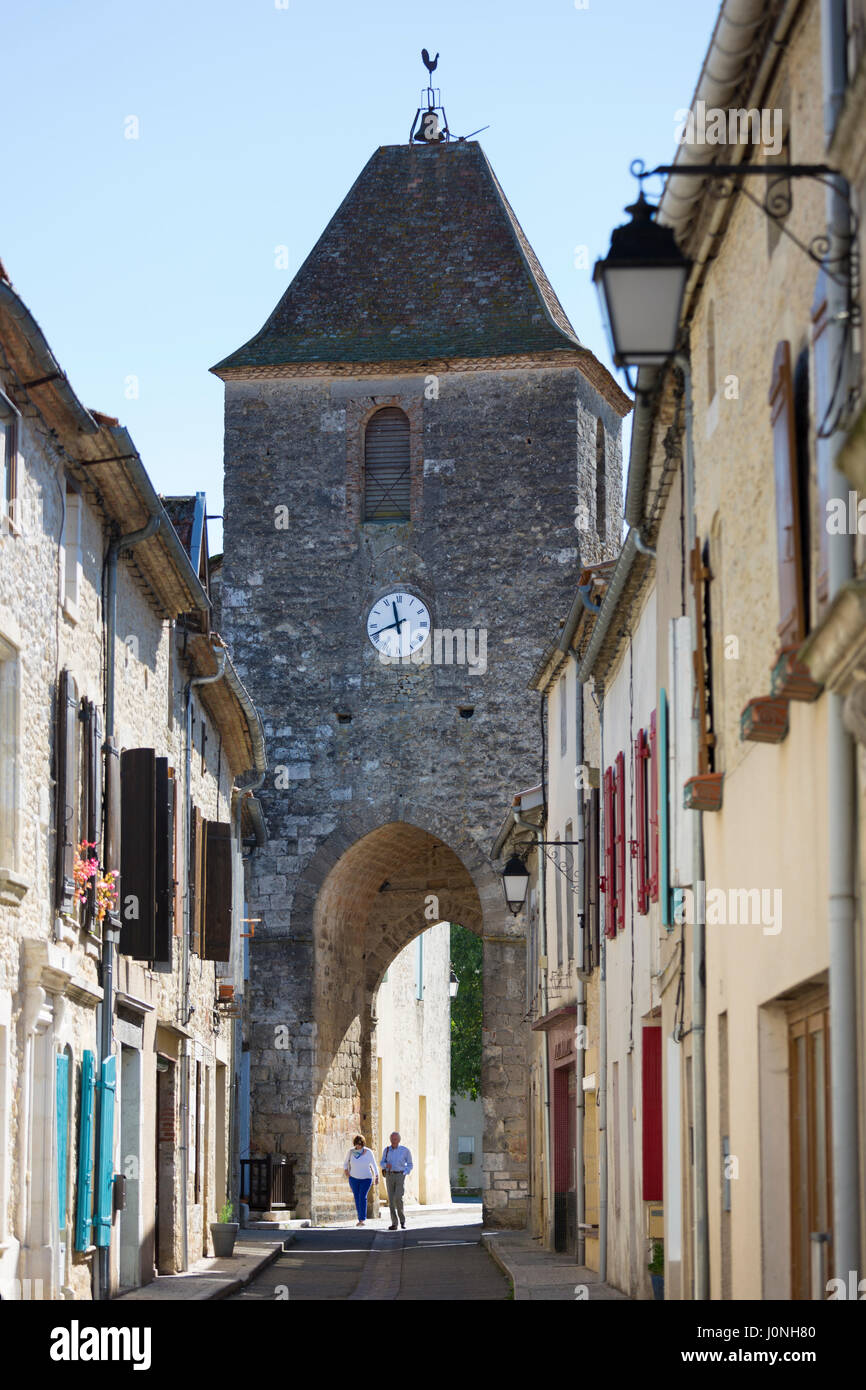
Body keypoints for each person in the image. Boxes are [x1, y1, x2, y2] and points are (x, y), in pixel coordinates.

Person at [343, 1134, 380, 1226]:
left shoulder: (368, 1152)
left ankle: (362, 1220)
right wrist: (346, 1171)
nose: (358, 1145)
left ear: (363, 1143)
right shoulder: (351, 1152)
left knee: (362, 1197)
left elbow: (374, 1165)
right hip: (353, 1179)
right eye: (357, 1143)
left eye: (360, 1144)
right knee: (357, 1197)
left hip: (366, 1179)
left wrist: (376, 1176)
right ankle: (360, 1217)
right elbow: (345, 1163)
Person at [381, 1130, 413, 1230]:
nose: (393, 1141)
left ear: (399, 1140)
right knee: (391, 1200)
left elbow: (410, 1164)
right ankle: (394, 1223)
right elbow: (382, 1162)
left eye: (395, 1139)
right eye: (392, 1139)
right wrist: (386, 1165)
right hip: (389, 1175)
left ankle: (402, 1220)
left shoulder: (405, 1150)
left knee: (398, 1198)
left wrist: (405, 1172)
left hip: (400, 1175)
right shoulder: (386, 1150)